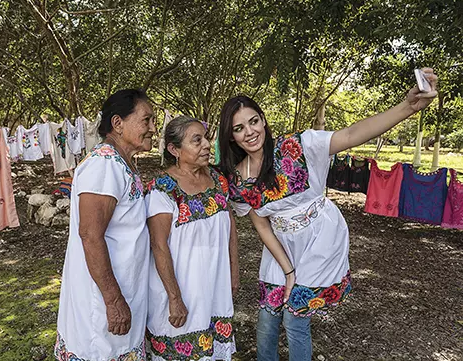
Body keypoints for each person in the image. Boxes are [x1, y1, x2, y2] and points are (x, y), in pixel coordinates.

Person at [218, 68, 438, 361]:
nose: (250, 132)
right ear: (231, 137)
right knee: (268, 315)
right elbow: (261, 224)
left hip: (321, 237)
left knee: (295, 318)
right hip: (281, 246)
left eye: (254, 121)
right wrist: (287, 270)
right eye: (239, 128)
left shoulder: (299, 146)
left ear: (264, 120)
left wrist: (407, 107)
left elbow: (352, 133)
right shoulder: (238, 178)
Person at [55, 89, 156, 361]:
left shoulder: (122, 163)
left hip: (123, 288)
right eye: (146, 120)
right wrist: (113, 301)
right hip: (102, 300)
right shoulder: (104, 164)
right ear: (118, 123)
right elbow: (90, 235)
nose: (153, 129)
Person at [145, 116, 239, 361]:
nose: (207, 145)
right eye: (197, 140)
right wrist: (175, 299)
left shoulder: (218, 180)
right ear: (174, 149)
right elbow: (158, 245)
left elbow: (230, 226)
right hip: (181, 290)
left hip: (214, 286)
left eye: (206, 138)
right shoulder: (162, 188)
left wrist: (234, 271)